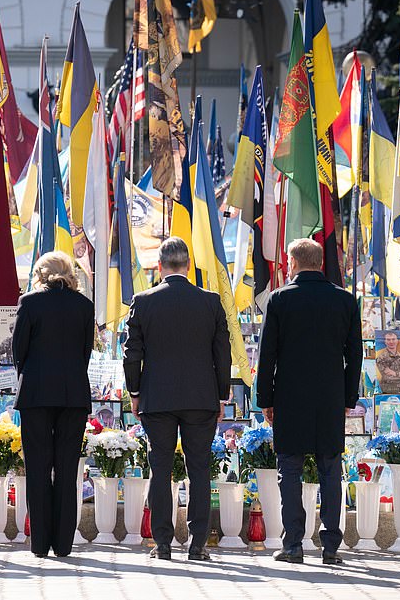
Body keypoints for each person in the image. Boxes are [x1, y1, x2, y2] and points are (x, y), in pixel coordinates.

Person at [122, 237, 230, 561]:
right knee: (199, 469)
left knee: (160, 468)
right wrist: (221, 396)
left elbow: (132, 353)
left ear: (160, 266)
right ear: (188, 266)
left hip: (157, 397)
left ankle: (163, 543)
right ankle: (198, 544)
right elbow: (222, 354)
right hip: (201, 397)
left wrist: (135, 392)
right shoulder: (210, 302)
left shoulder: (143, 301)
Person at [255, 238, 362, 566]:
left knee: (289, 470)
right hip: (330, 397)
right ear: (320, 263)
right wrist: (349, 397)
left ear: (294, 262)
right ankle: (330, 546)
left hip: (290, 397)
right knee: (330, 469)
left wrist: (265, 398)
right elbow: (354, 354)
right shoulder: (345, 300)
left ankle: (293, 544)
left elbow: (267, 354)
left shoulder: (280, 299)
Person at [11, 252, 94, 558]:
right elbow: (85, 352)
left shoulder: (30, 302)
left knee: (38, 467)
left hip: (36, 393)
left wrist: (30, 375)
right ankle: (63, 544)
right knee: (67, 468)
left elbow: (18, 350)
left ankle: (40, 544)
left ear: (40, 274)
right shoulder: (84, 305)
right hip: (73, 394)